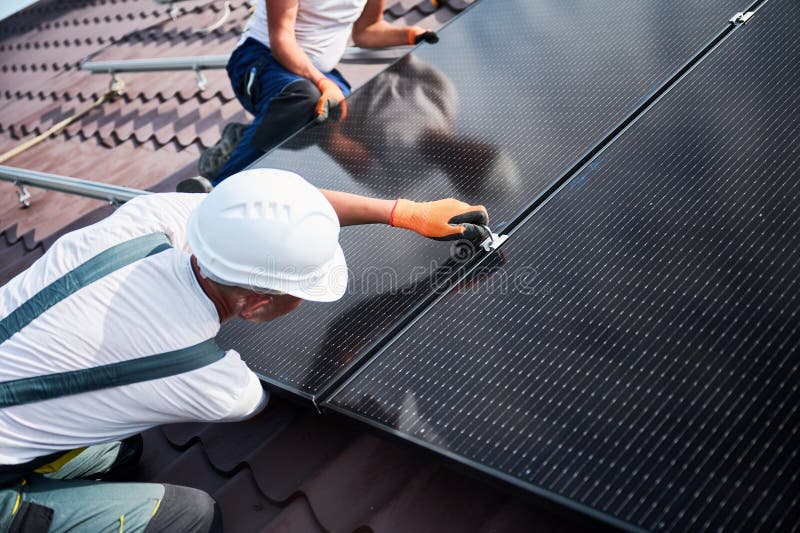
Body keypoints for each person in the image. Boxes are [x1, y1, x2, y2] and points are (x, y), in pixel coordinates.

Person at [0, 168, 488, 531]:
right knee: (189, 515)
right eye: (304, 291)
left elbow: (274, 208)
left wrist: (402, 212)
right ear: (255, 304)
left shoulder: (152, 219)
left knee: (123, 452)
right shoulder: (204, 379)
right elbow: (294, 384)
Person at [178, 0, 439, 193]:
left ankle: (243, 139)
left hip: (310, 74)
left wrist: (409, 34)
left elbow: (367, 30)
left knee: (337, 115)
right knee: (306, 100)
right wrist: (323, 81)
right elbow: (281, 39)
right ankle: (216, 188)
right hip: (259, 62)